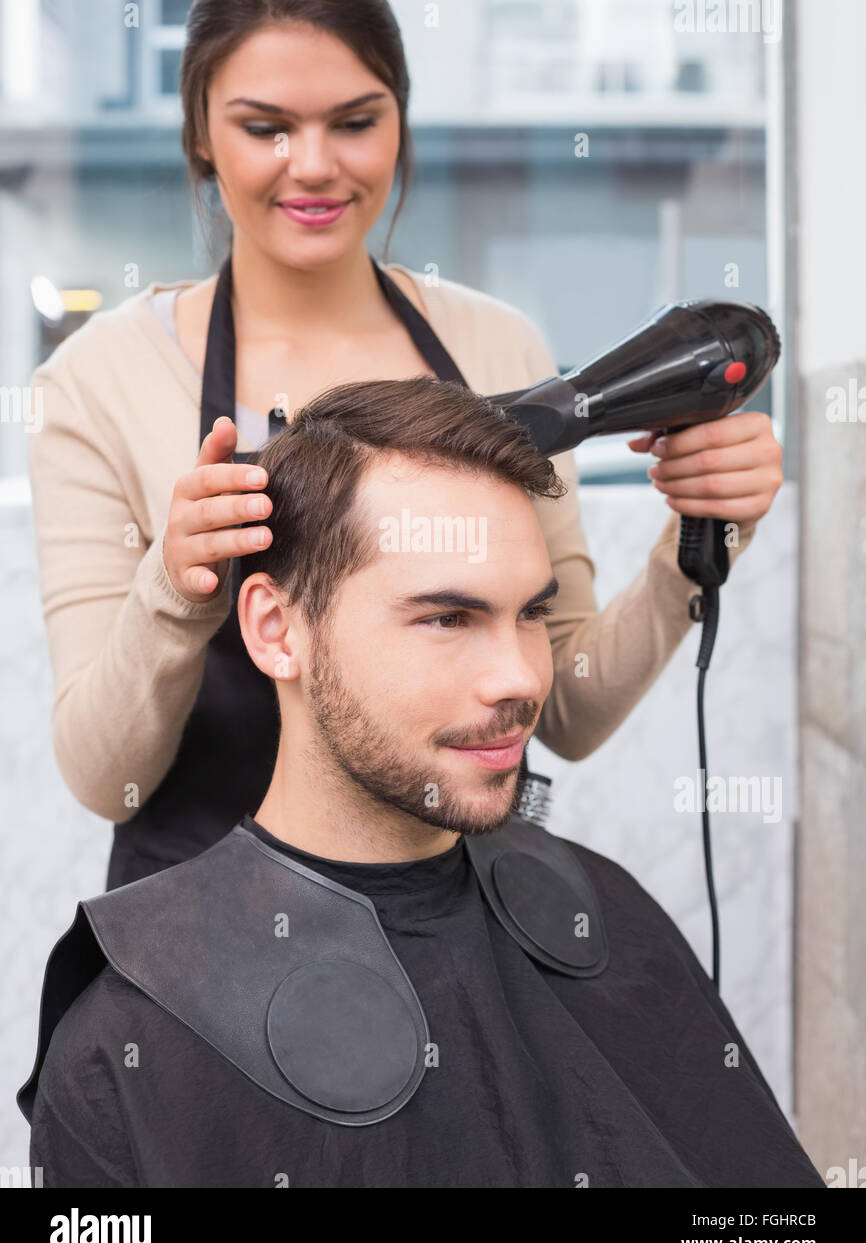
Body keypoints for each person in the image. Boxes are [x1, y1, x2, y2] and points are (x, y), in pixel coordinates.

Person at [26, 0, 783, 890]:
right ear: (199, 138)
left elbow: (571, 716)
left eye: (354, 121)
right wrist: (171, 593)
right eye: (264, 127)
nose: (312, 166)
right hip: (197, 937)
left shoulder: (497, 347)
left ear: (400, 126)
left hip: (460, 914)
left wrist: (699, 536)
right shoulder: (100, 382)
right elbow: (108, 780)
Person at [19, 376, 818, 1189]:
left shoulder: (605, 914)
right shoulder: (128, 1042)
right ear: (275, 629)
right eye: (447, 619)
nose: (518, 679)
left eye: (533, 614)